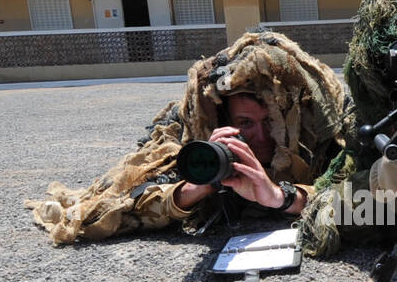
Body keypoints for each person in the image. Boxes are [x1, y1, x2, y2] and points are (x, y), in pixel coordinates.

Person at [25, 31, 349, 245]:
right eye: (245, 123)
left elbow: (356, 197)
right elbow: (126, 202)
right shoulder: (197, 134)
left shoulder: (318, 132)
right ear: (224, 120)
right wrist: (196, 187)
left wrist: (280, 196)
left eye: (272, 121)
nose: (261, 136)